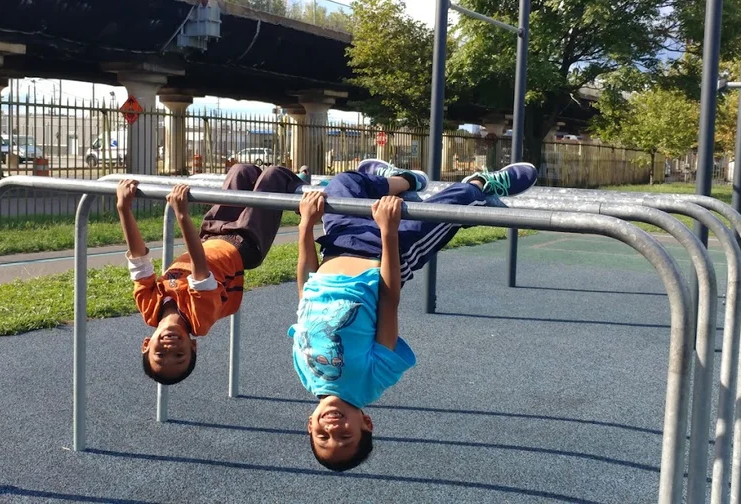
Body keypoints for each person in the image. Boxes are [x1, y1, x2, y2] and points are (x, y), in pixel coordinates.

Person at [291, 159, 538, 471]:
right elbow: (389, 300)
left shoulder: (305, 374)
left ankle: (404, 182)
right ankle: (481, 185)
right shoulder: (370, 382)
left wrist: (306, 225)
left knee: (343, 184)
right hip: (389, 252)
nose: (334, 431)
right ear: (366, 423)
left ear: (310, 425)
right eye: (345, 437)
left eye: (324, 437)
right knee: (450, 206)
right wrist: (388, 232)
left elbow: (305, 292)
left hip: (337, 245)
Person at [118, 164, 305, 385]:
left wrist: (124, 207)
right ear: (193, 346)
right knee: (273, 176)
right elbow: (199, 266)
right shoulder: (200, 319)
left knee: (241, 171)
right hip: (244, 245)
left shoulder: (149, 307)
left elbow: (138, 259)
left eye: (160, 354)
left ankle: (263, 177)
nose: (170, 348)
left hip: (211, 235)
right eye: (179, 355)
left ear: (146, 344)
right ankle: (299, 184)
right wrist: (182, 214)